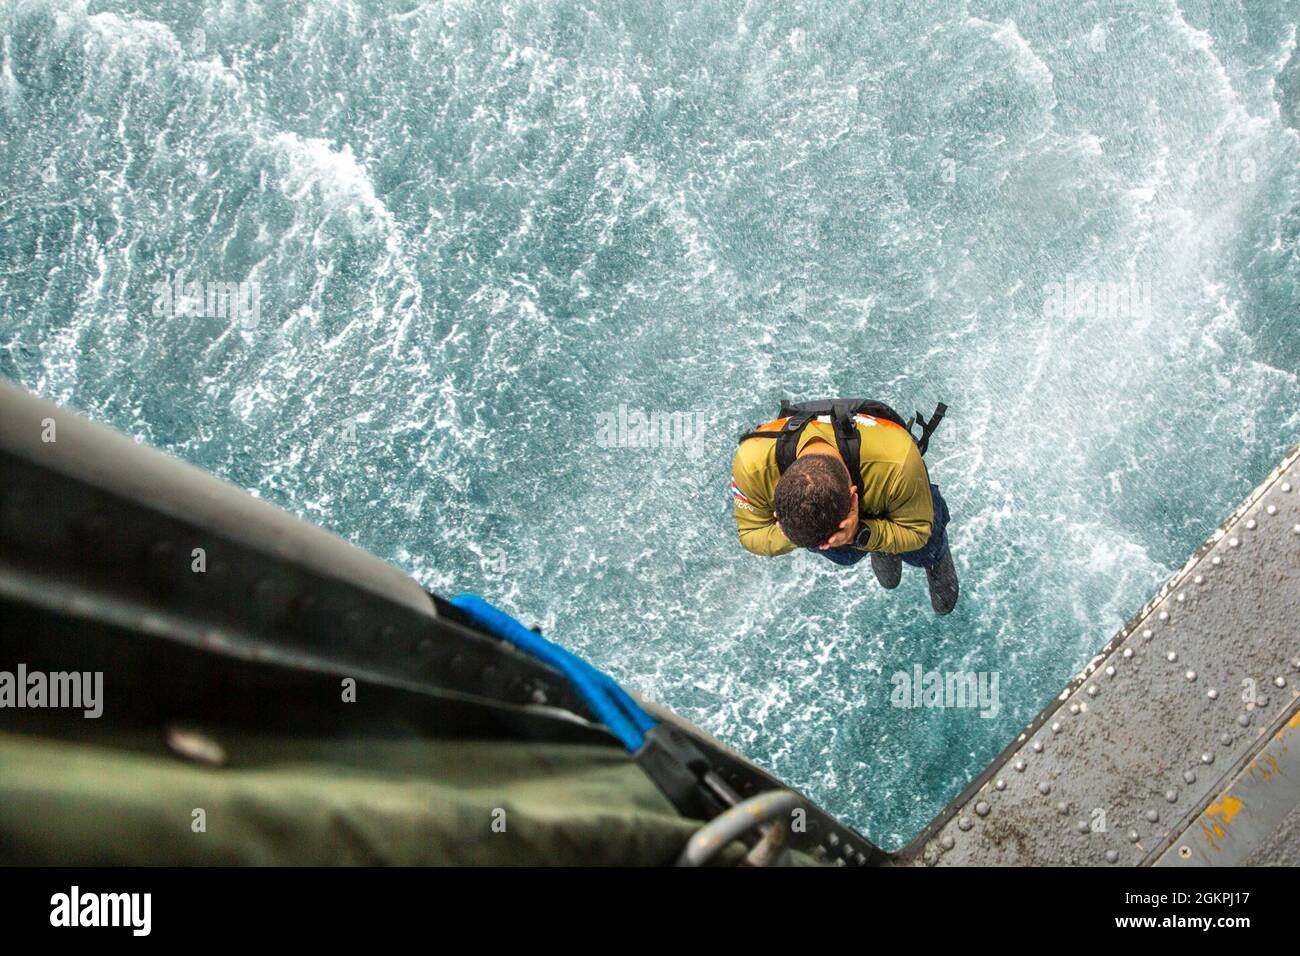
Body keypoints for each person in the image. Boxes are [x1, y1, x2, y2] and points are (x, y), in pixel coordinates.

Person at [731, 399, 959, 615]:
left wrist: (859, 532)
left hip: (890, 487)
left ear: (854, 499)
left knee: (928, 547)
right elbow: (751, 534)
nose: (825, 546)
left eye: (829, 540)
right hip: (858, 506)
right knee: (860, 562)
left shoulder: (899, 464)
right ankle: (882, 546)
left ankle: (933, 558)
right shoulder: (751, 464)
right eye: (823, 544)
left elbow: (918, 530)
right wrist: (797, 531)